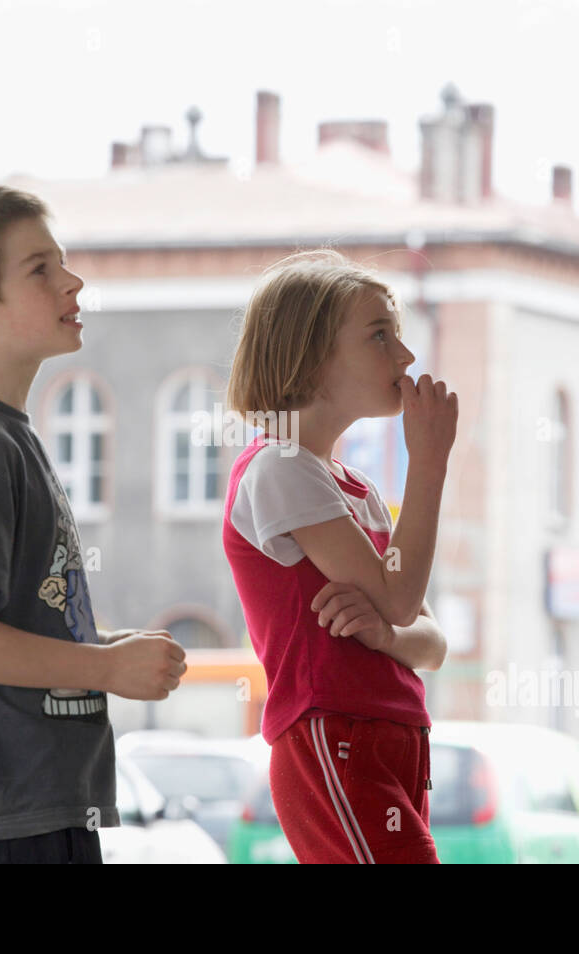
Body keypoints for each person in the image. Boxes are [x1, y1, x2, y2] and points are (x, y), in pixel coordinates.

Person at [0, 185, 186, 864]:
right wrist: (103, 665)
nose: (72, 282)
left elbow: (0, 628)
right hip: (3, 819)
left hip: (27, 811)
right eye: (41, 269)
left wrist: (103, 647)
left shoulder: (0, 434)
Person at [222, 249, 457, 863]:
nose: (405, 357)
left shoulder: (352, 486)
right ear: (308, 355)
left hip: (390, 733)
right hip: (337, 732)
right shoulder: (279, 467)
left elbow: (429, 641)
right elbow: (403, 600)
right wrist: (428, 463)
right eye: (380, 335)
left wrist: (383, 634)